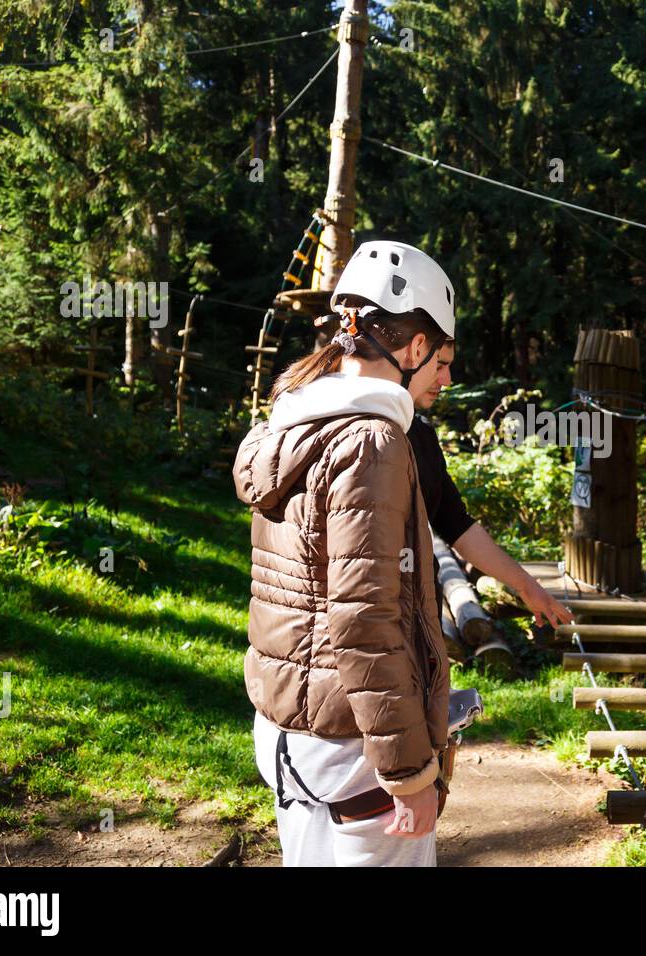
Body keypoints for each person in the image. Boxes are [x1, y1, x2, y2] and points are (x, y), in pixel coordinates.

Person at [232, 240, 455, 866]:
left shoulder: (294, 424)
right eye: (440, 358)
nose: (445, 377)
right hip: (354, 753)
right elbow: (362, 621)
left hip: (288, 737)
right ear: (412, 349)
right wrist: (411, 771)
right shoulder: (373, 441)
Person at [407, 339, 575, 630]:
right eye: (440, 365)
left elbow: (458, 525)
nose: (446, 380)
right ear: (411, 353)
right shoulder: (359, 433)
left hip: (417, 622)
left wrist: (526, 586)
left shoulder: (421, 434)